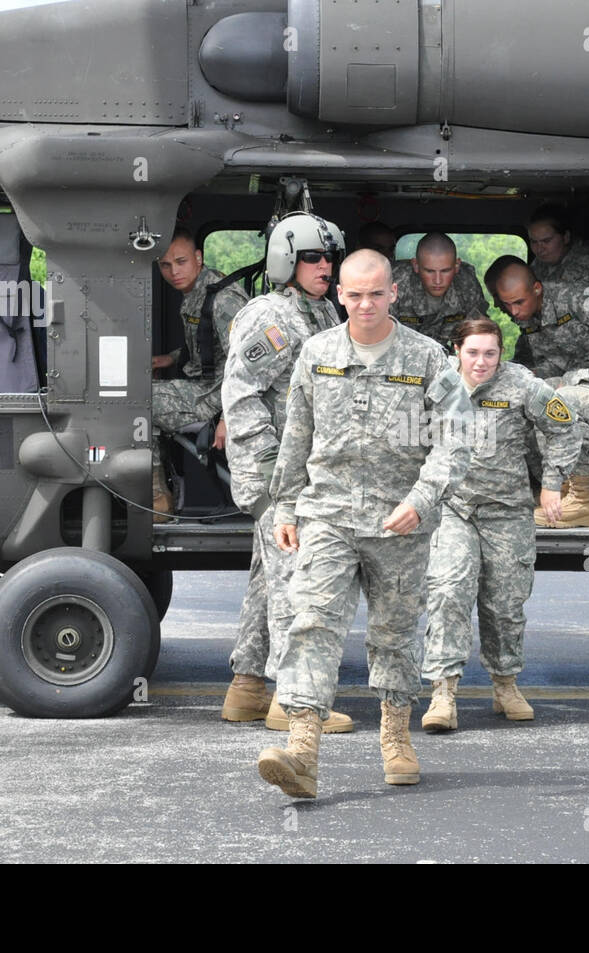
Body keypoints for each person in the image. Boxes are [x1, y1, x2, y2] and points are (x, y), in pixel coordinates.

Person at [256, 249, 472, 799]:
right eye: (353, 295)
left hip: (399, 523)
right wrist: (285, 505)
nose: (365, 304)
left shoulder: (425, 359)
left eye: (376, 293)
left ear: (394, 293)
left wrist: (424, 497)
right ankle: (303, 749)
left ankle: (396, 735)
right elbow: (296, 434)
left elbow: (460, 437)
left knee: (394, 635)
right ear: (339, 296)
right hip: (328, 514)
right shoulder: (316, 352)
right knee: (312, 620)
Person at [219, 211, 355, 733]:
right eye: (313, 258)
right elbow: (241, 391)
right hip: (277, 474)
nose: (325, 266)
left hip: (298, 473)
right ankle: (292, 703)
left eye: (329, 257)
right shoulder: (274, 317)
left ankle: (248, 690)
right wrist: (274, 468)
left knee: (267, 578)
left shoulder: (318, 313)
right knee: (297, 580)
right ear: (287, 261)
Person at [420, 318, 580, 731]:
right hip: (452, 507)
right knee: (449, 589)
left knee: (505, 601)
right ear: (457, 350)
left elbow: (565, 425)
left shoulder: (521, 385)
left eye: (490, 353)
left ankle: (505, 686)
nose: (481, 362)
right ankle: (443, 693)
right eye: (472, 352)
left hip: (506, 510)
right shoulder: (437, 383)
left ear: (501, 353)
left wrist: (550, 484)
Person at [491, 259, 589, 526]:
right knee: (529, 401)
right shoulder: (530, 316)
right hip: (581, 380)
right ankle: (559, 491)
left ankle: (584, 500)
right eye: (507, 305)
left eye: (518, 302)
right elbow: (555, 357)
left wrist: (570, 381)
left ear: (536, 289)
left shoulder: (578, 299)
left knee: (560, 402)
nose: (513, 311)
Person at [151, 228, 250, 520]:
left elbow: (246, 361)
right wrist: (169, 358)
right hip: (206, 385)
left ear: (198, 257)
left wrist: (227, 417)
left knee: (139, 403)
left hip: (219, 394)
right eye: (165, 265)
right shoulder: (197, 291)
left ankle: (158, 499)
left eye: (181, 262)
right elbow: (208, 347)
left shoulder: (222, 300)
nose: (173, 272)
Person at [389, 232, 489, 346]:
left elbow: (481, 332)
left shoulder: (466, 284)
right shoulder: (395, 282)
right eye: (429, 271)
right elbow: (375, 333)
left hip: (446, 357)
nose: (437, 280)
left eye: (445, 271)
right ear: (416, 265)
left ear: (457, 265)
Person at [527, 204, 589, 285]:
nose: (539, 249)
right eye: (534, 242)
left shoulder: (588, 264)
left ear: (566, 237)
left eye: (546, 241)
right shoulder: (539, 263)